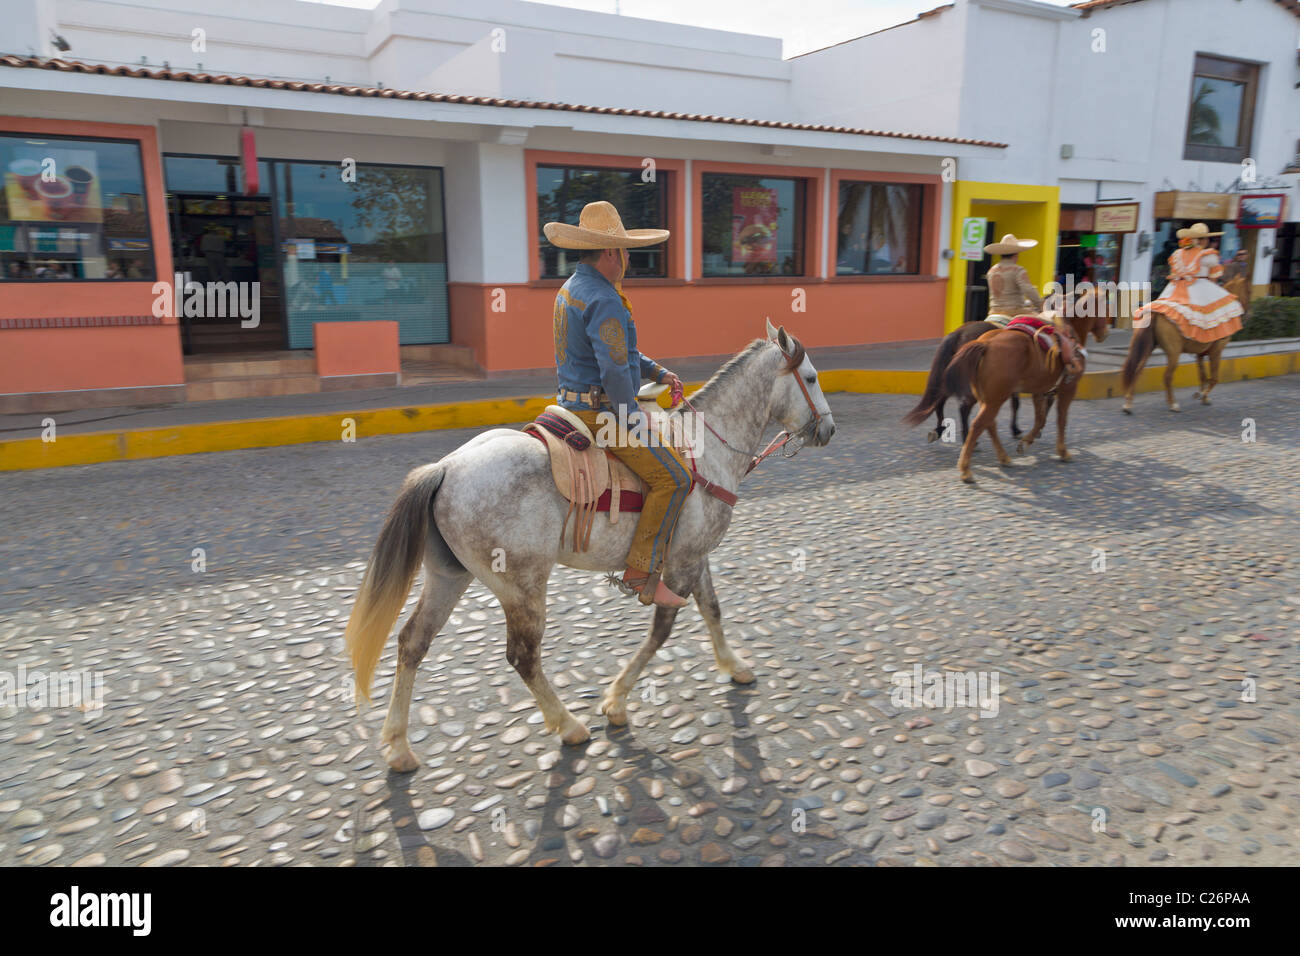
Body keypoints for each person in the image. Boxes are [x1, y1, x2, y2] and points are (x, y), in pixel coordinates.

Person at [544, 200, 689, 609]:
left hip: (567, 404)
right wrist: (632, 418)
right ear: (610, 253)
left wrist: (658, 373)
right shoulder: (604, 297)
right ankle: (641, 574)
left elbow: (621, 354)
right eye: (624, 251)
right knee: (674, 478)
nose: (626, 259)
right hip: (599, 413)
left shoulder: (571, 288)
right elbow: (612, 370)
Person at [984, 233, 1079, 375]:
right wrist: (1040, 304)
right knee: (1055, 322)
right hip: (1015, 311)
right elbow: (1028, 290)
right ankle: (1066, 361)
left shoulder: (991, 270)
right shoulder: (1017, 270)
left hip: (993, 313)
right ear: (1016, 254)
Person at [1133, 222, 1244, 338]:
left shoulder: (1177, 254)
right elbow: (1214, 277)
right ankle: (1205, 336)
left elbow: (1173, 273)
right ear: (1203, 240)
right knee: (1214, 312)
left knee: (1165, 305)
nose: (1206, 241)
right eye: (1206, 238)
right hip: (1199, 285)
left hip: (1174, 287)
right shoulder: (1208, 255)